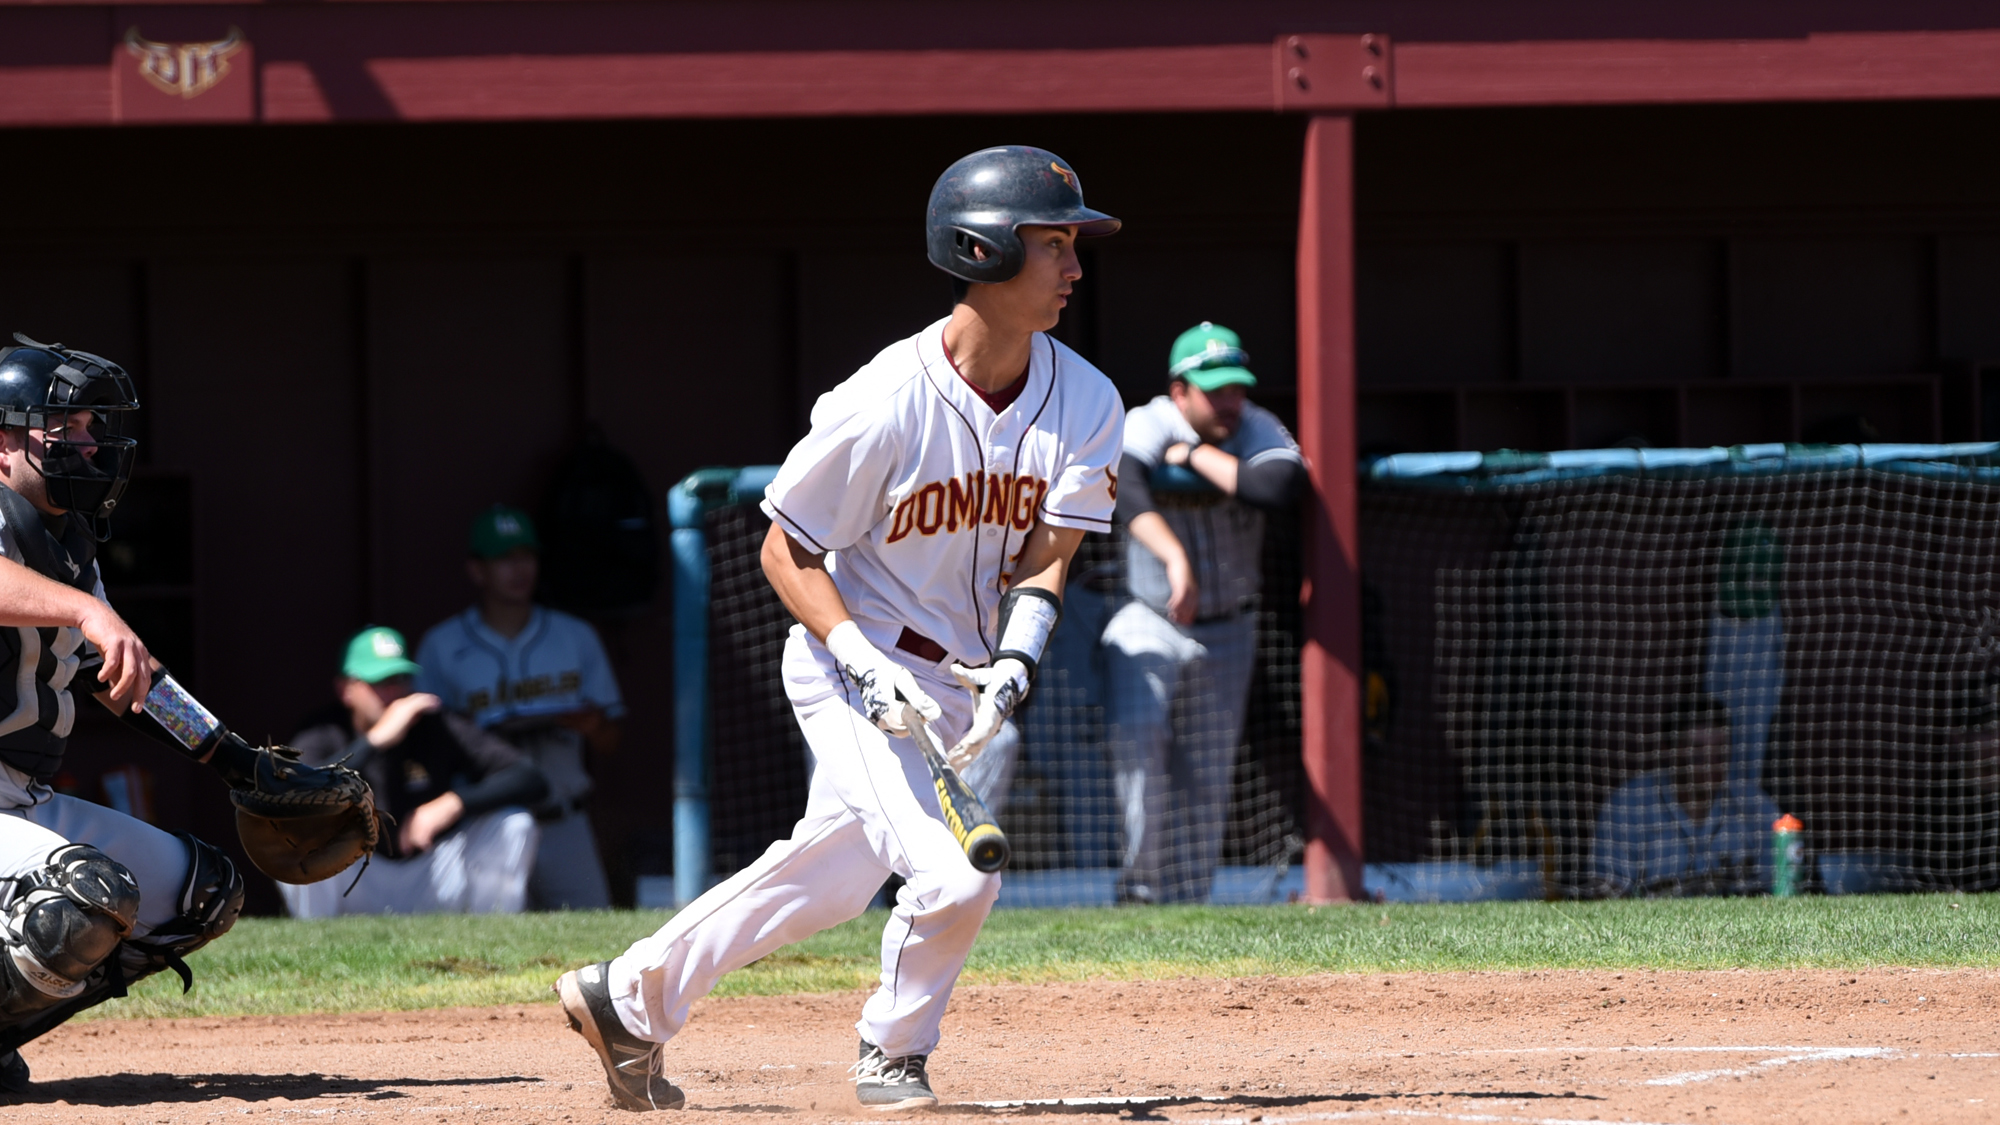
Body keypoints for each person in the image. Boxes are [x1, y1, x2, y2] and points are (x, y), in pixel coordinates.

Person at [554, 144, 1123, 1112]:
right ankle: (892, 1053)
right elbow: (785, 551)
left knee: (829, 879)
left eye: (1073, 247)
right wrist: (860, 659)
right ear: (978, 250)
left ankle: (630, 996)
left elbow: (1048, 555)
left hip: (960, 679)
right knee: (954, 879)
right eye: (1052, 245)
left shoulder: (1088, 400)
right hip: (848, 662)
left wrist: (1017, 660)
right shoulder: (883, 403)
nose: (1073, 268)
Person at [0, 336, 348, 1090]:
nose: (90, 444)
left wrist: (234, 760)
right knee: (82, 897)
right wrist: (88, 612)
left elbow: (126, 676)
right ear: (3, 444)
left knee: (203, 894)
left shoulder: (67, 538)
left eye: (94, 426)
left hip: (21, 797)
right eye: (68, 427)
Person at [1101, 322, 1307, 904]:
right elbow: (1124, 486)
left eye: (1236, 387)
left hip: (1229, 627)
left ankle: (1189, 900)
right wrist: (1174, 557)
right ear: (1179, 389)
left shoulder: (1253, 424)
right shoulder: (1149, 419)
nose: (1229, 401)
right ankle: (1140, 889)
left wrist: (1194, 456)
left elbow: (1280, 484)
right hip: (1151, 617)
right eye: (1214, 389)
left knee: (1207, 772)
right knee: (1137, 743)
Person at [415, 506, 622, 910]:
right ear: (478, 570)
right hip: (488, 825)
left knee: (593, 939)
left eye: (526, 556)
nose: (518, 569)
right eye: (504, 559)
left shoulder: (575, 637)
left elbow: (612, 740)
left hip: (564, 818)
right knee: (491, 946)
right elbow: (426, 746)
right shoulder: (441, 645)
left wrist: (590, 724)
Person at [278, 626, 549, 917]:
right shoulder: (325, 729)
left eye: (400, 679)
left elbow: (531, 778)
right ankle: (315, 943)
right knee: (294, 827)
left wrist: (454, 803)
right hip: (357, 878)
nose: (393, 692)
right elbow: (295, 794)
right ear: (347, 690)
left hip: (430, 874)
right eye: (379, 682)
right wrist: (374, 741)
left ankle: (495, 940)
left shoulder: (434, 723)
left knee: (512, 822)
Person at [1589, 695, 1784, 897]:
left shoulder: (1753, 803)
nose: (1710, 764)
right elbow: (1607, 889)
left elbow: (1783, 881)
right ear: (1670, 751)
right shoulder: (1630, 806)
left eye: (1719, 753)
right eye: (1698, 752)